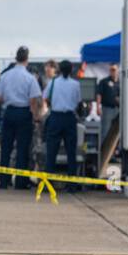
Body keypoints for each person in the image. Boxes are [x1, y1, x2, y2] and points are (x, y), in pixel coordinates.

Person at [0, 46, 43, 189]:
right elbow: (34, 100)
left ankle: (3, 181)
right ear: (27, 59)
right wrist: (35, 116)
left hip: (9, 112)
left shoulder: (5, 75)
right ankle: (20, 182)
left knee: (6, 149)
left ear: (16, 58)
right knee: (23, 149)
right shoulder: (30, 78)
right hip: (24, 114)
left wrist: (7, 103)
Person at [42, 59, 83, 190]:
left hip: (55, 117)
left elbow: (45, 97)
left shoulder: (53, 82)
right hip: (69, 118)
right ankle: (72, 184)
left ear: (59, 69)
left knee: (51, 152)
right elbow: (78, 101)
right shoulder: (75, 84)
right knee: (71, 152)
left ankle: (48, 183)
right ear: (71, 70)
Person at [97, 63, 120, 149]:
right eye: (110, 70)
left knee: (116, 133)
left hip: (117, 109)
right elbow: (99, 94)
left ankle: (114, 153)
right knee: (105, 131)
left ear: (117, 70)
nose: (112, 72)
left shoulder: (120, 82)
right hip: (107, 109)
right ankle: (103, 152)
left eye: (114, 70)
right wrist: (98, 107)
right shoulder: (104, 81)